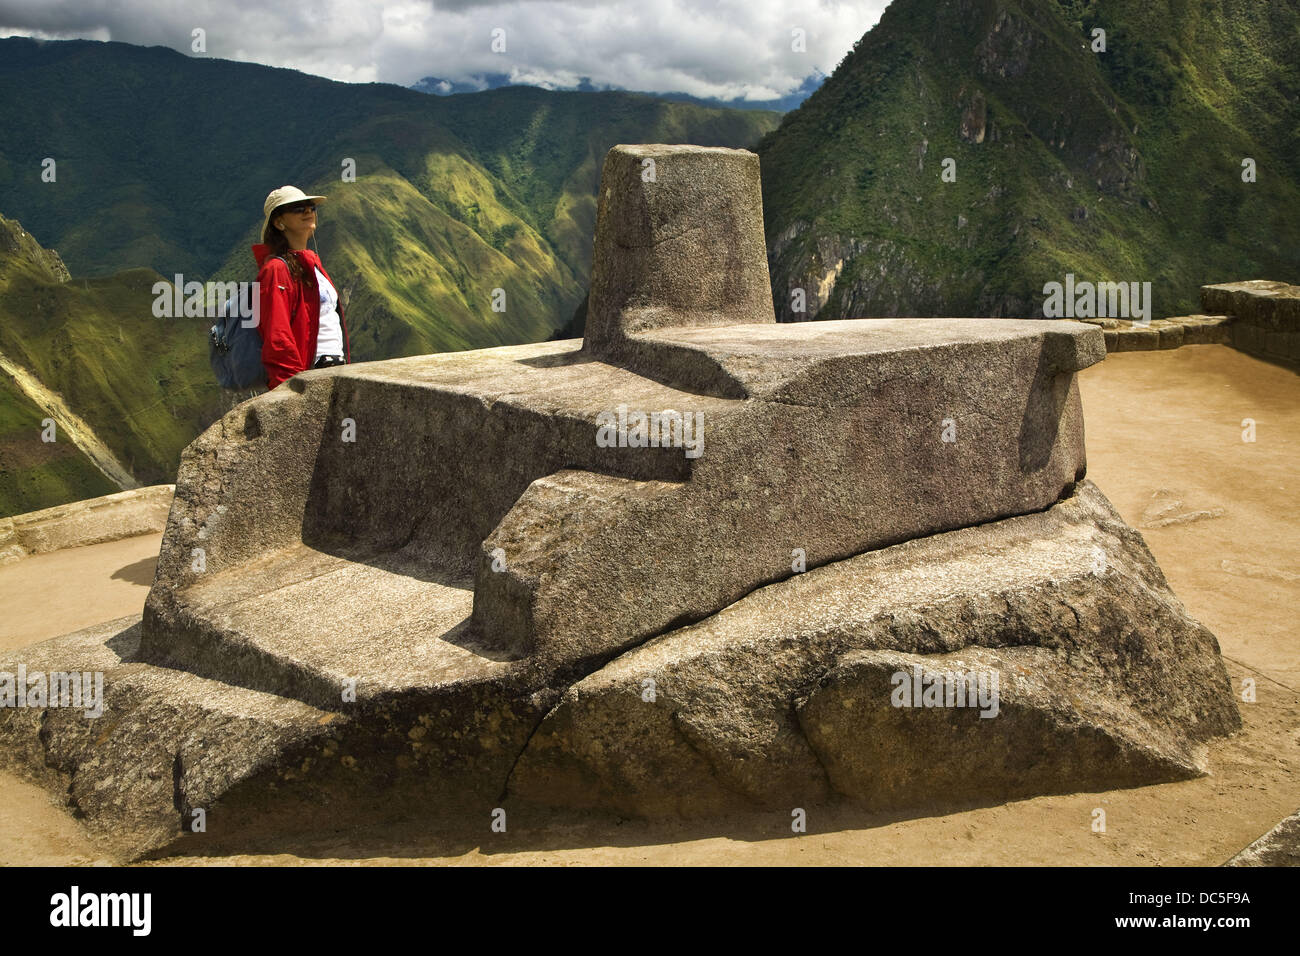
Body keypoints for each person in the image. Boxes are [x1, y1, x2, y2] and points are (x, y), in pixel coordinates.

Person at [252, 185, 352, 390]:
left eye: (311, 207)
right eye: (298, 208)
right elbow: (277, 336)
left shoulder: (313, 264)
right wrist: (293, 389)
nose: (308, 211)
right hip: (312, 372)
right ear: (279, 222)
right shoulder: (276, 270)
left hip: (334, 366)